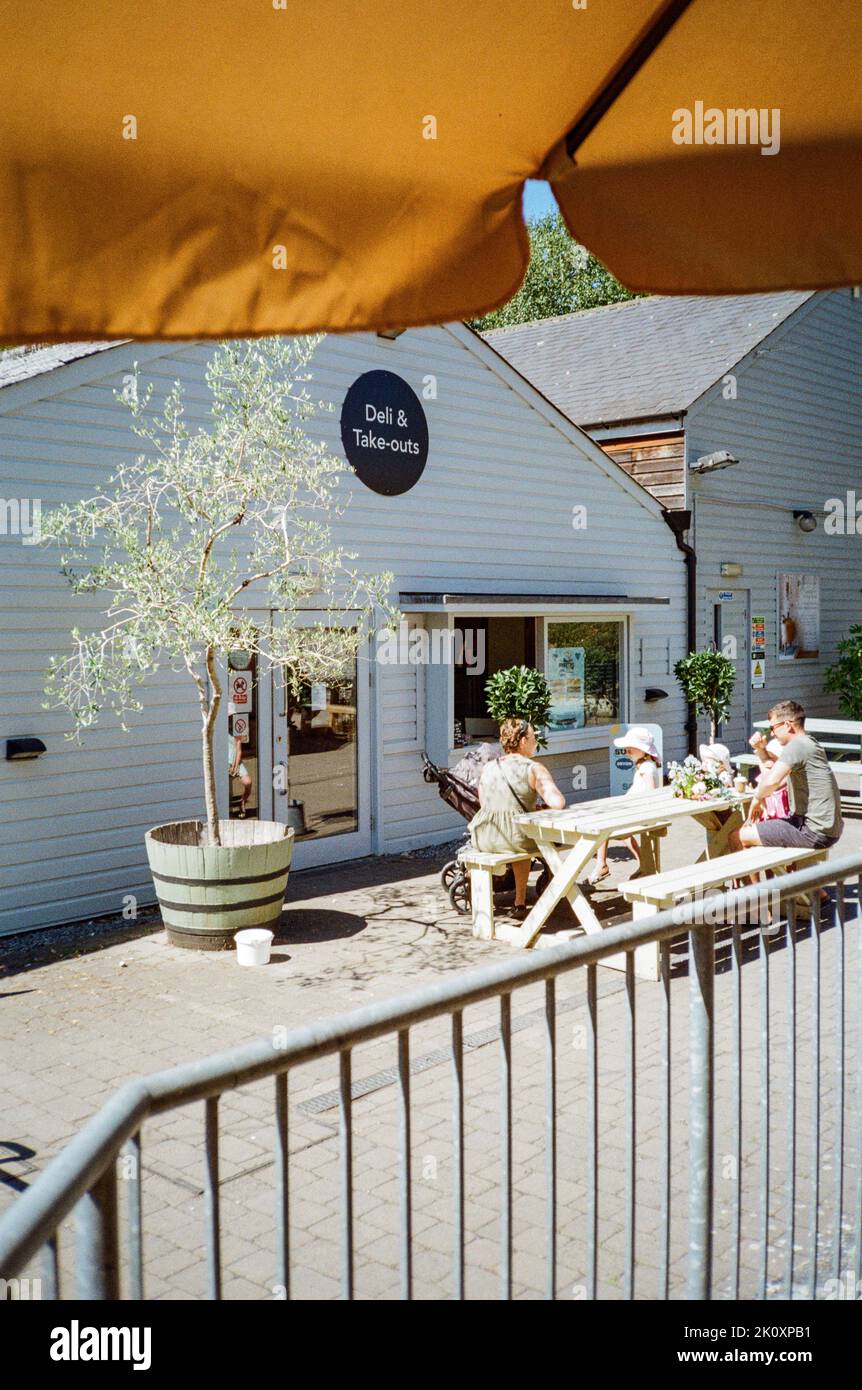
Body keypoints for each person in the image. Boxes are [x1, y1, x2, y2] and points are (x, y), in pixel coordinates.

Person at [469, 718, 565, 920]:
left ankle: (495, 904)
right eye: (532, 737)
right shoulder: (533, 768)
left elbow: (484, 803)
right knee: (524, 839)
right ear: (522, 741)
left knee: (517, 835)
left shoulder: (488, 768)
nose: (535, 742)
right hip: (515, 838)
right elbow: (557, 802)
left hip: (484, 836)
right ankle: (520, 902)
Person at [729, 700, 843, 853]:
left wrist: (757, 798)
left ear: (788, 725)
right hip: (826, 829)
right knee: (757, 835)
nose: (771, 733)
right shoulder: (809, 743)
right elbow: (776, 778)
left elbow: (771, 782)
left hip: (812, 831)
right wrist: (761, 751)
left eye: (773, 728)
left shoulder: (797, 745)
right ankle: (773, 877)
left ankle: (745, 877)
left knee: (736, 836)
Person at [587, 726, 662, 885]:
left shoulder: (647, 768)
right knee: (621, 830)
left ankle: (601, 864)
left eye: (631, 749)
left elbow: (651, 792)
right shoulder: (646, 765)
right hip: (635, 811)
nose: (627, 752)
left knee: (604, 823)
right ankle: (645, 864)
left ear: (643, 750)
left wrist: (650, 810)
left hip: (639, 813)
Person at [229, 726, 252, 817]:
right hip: (223, 763)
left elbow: (239, 751)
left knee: (247, 782)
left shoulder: (235, 731)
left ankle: (242, 802)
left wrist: (235, 766)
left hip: (236, 762)